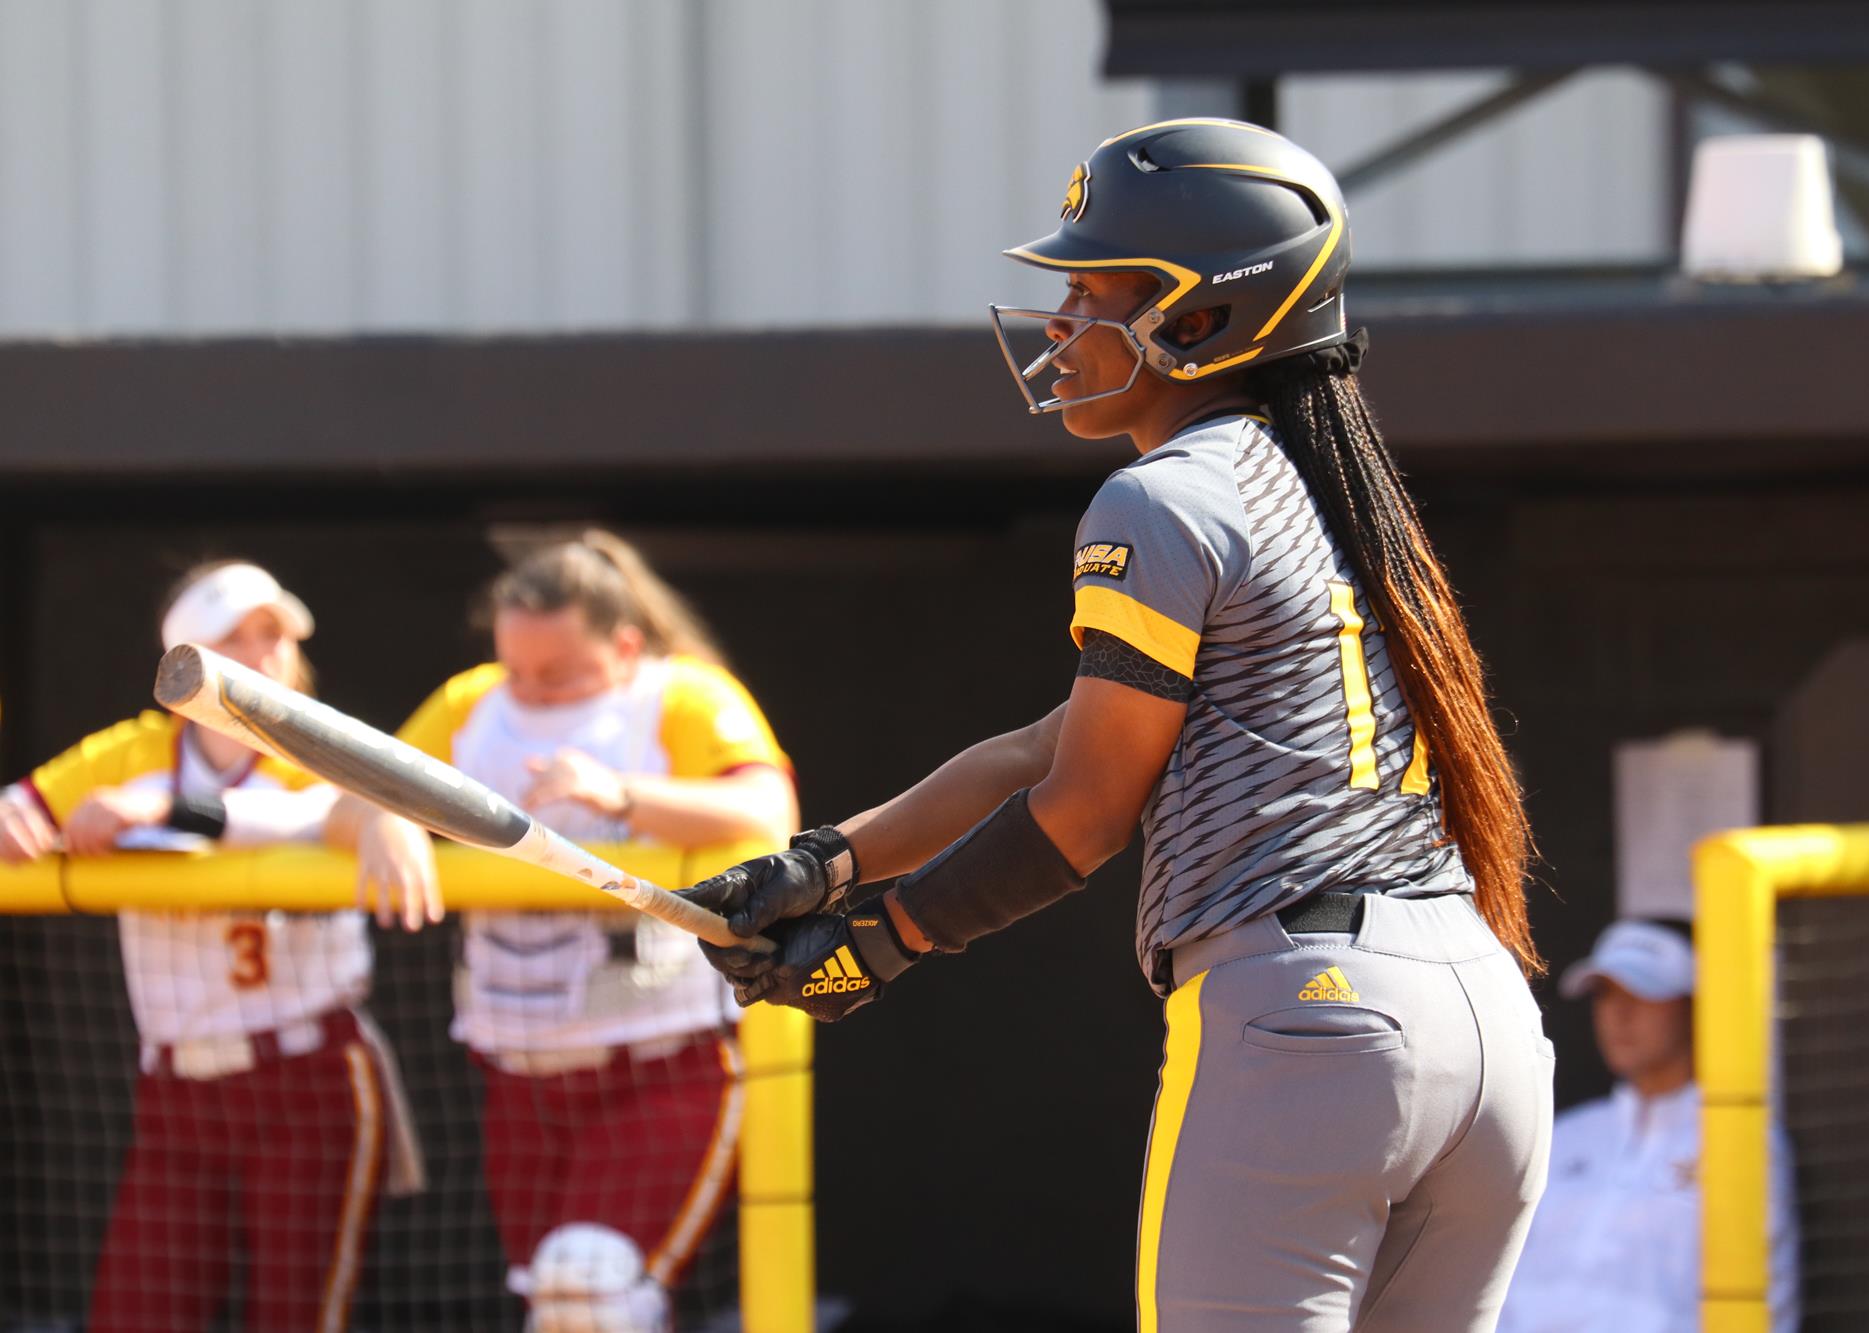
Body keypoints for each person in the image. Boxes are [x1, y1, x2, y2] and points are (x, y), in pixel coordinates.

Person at [688, 118, 1553, 1332]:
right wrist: (822, 863)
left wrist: (881, 941)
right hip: (1484, 1019)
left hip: (1304, 1012)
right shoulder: (1331, 494)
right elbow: (1040, 746)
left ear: (1196, 322)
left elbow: (1081, 814)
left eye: (1089, 291)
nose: (1058, 322)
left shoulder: (1161, 494)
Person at [344, 530, 795, 1332]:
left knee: (590, 1292)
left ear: (624, 645)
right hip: (520, 1070)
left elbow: (768, 812)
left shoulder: (679, 695)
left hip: (660, 1055)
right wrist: (384, 817)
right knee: (552, 1304)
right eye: (517, 668)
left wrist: (622, 794)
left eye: (555, 674)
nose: (529, 691)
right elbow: (357, 787)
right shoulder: (473, 701)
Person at [0, 560, 416, 1332]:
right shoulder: (131, 751)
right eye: (239, 636)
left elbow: (348, 811)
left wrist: (380, 817)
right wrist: (11, 819)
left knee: (296, 1317)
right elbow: (16, 807)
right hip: (178, 1086)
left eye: (277, 634)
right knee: (134, 1313)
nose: (266, 653)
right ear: (184, 657)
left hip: (305, 1071)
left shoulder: (324, 743)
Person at [1498, 918, 1801, 1333]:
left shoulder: (1746, 1146)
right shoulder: (1560, 1137)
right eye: (1606, 993)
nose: (1619, 1013)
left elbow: (1771, 1305)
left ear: (1698, 1004)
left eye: (1645, 989)